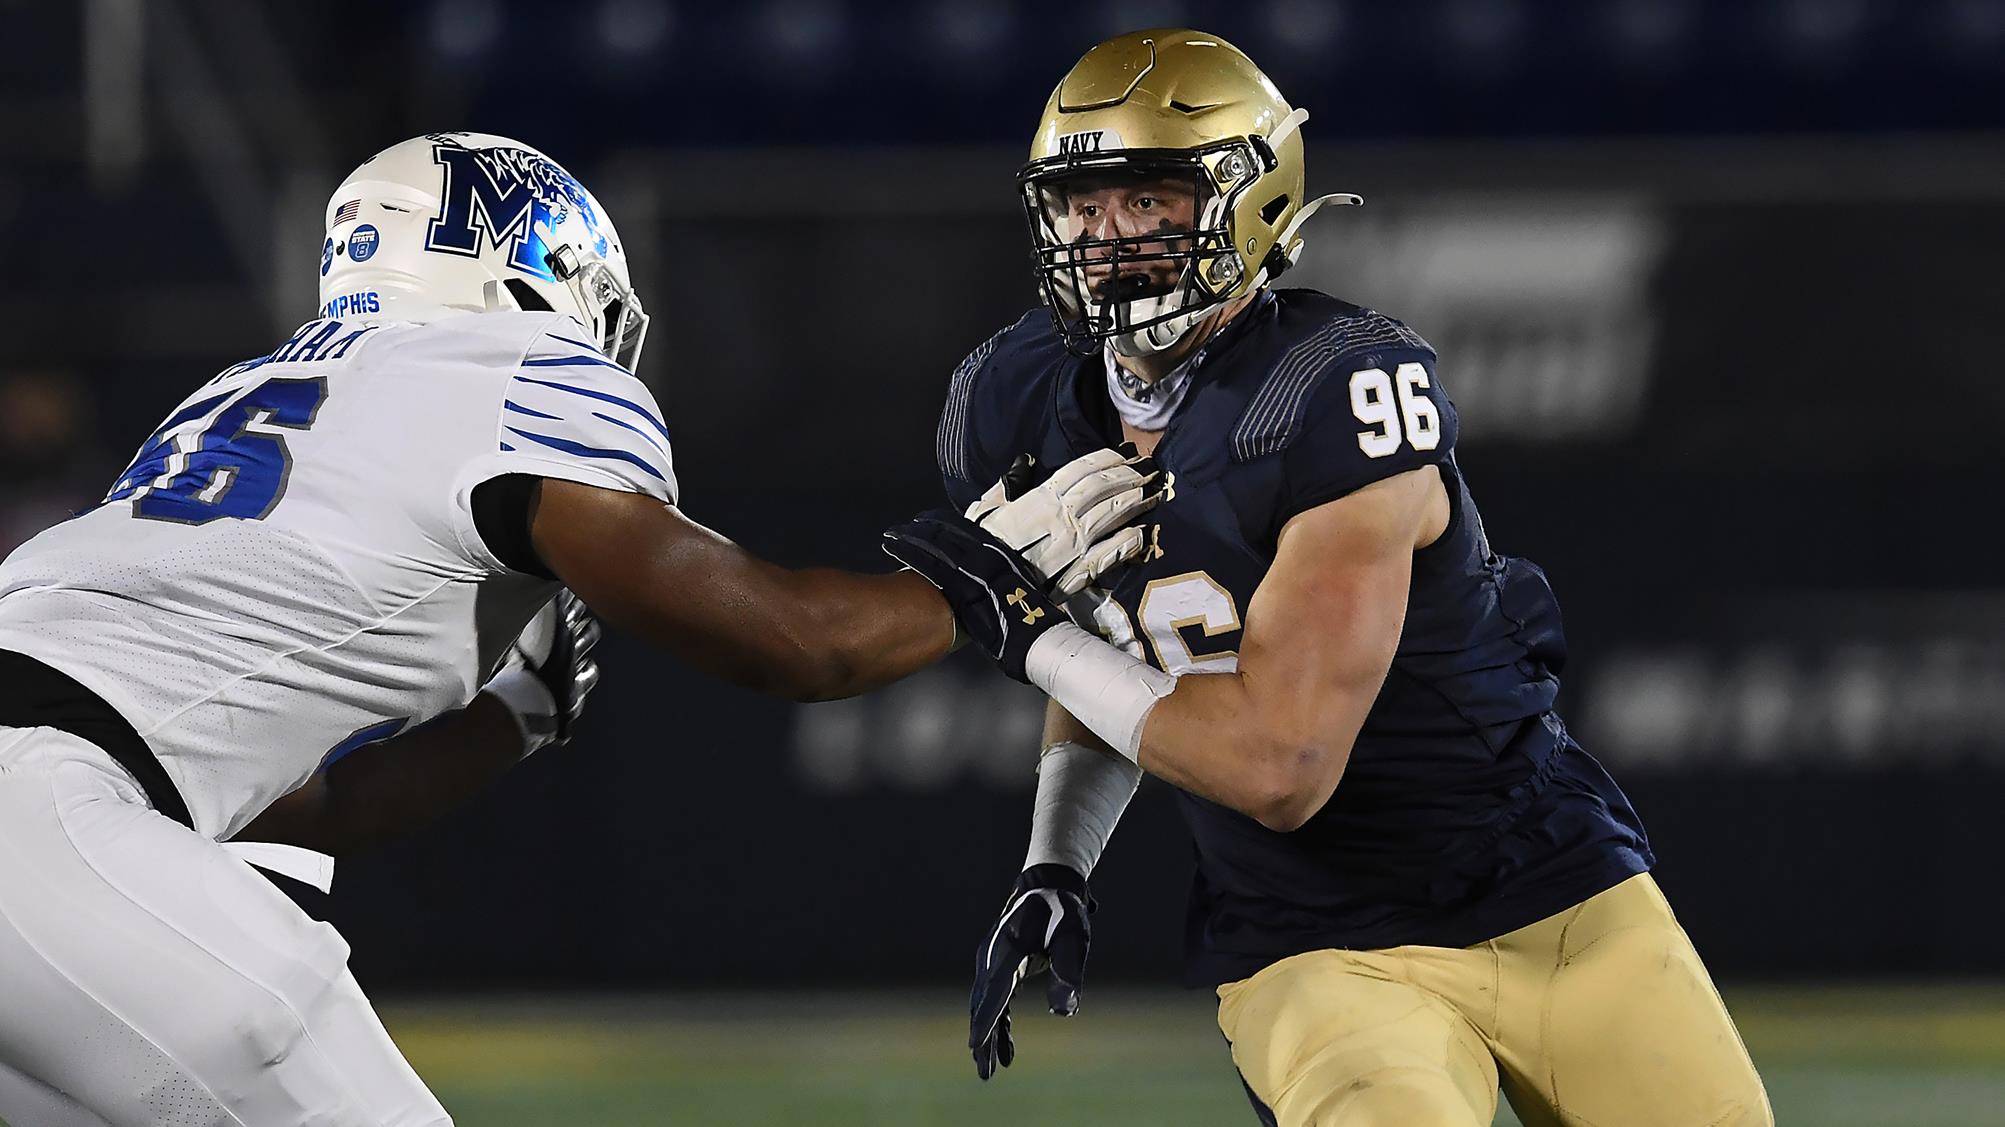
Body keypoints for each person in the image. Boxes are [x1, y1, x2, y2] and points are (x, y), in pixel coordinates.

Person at [0, 131, 1158, 1126]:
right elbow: (801, 643)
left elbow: (297, 804)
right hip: (43, 806)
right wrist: (983, 574)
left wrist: (514, 716)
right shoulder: (505, 373)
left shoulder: (245, 398)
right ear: (527, 270)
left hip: (70, 803)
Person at [885, 29, 1772, 1127]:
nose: (1105, 235)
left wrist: (1020, 629)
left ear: (1247, 203)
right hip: (1313, 946)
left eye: (1149, 197)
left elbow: (1280, 764)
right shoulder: (1007, 400)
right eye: (1080, 202)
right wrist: (1055, 860)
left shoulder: (1335, 388)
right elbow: (1109, 645)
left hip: (1554, 901)